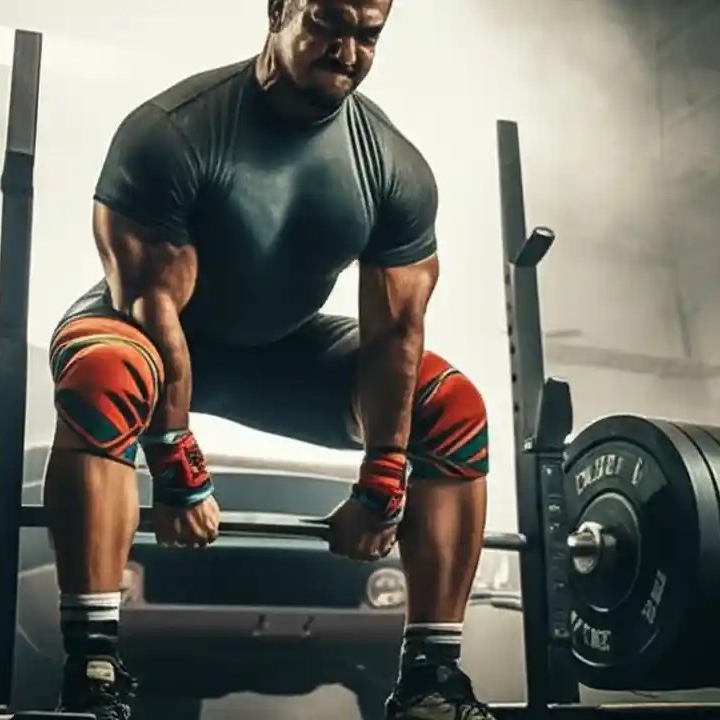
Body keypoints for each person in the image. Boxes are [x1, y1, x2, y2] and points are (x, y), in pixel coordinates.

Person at [43, 1, 493, 718]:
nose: (346, 50)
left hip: (283, 350)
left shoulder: (392, 166)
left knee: (455, 409)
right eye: (328, 23)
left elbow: (394, 332)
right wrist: (176, 465)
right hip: (148, 335)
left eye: (368, 34)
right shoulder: (171, 133)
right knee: (105, 376)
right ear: (280, 9)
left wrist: (383, 478)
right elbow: (154, 311)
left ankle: (430, 680)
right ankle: (93, 667)